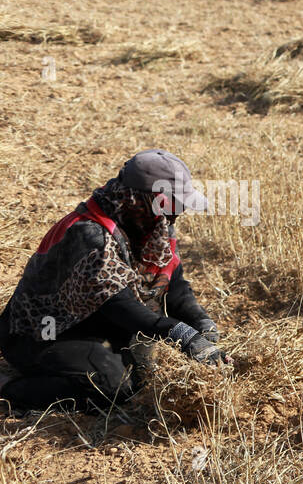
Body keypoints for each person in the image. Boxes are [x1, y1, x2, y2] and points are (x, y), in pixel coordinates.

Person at [0, 149, 231, 414]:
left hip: (93, 323)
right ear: (146, 199)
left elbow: (174, 285)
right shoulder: (91, 234)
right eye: (175, 203)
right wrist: (182, 335)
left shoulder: (152, 222)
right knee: (113, 388)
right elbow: (119, 306)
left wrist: (201, 323)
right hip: (43, 333)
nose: (179, 212)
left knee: (140, 375)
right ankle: (9, 387)